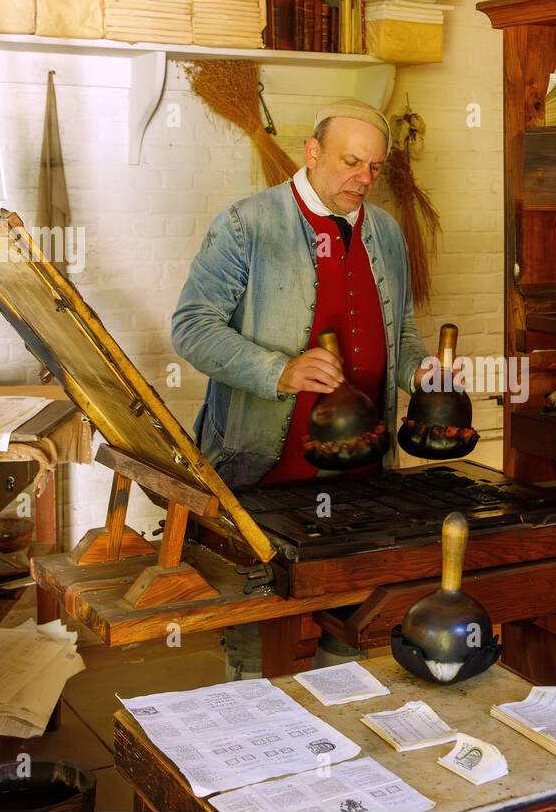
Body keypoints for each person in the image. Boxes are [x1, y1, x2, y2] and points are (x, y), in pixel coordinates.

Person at [172, 98, 431, 680]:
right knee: (258, 643)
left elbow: (402, 334)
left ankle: (341, 726)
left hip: (362, 478)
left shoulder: (386, 232)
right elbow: (191, 327)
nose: (363, 179)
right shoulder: (247, 224)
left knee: (350, 636)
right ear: (312, 152)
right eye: (350, 162)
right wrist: (279, 371)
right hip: (262, 474)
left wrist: (421, 372)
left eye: (373, 168)